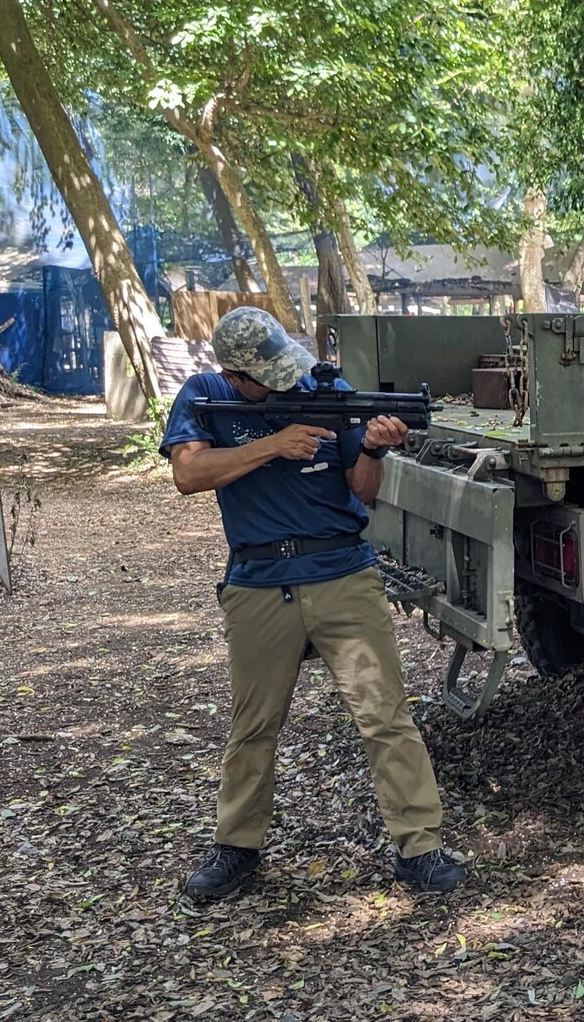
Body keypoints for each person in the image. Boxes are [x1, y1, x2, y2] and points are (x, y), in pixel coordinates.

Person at [161, 306, 465, 898]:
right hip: (258, 580)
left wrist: (375, 450)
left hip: (342, 571)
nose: (283, 382)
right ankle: (237, 846)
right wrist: (274, 444)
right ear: (235, 375)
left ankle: (420, 847)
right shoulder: (204, 393)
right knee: (254, 723)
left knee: (385, 717)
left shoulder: (328, 392)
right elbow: (189, 474)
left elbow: (364, 490)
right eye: (265, 376)